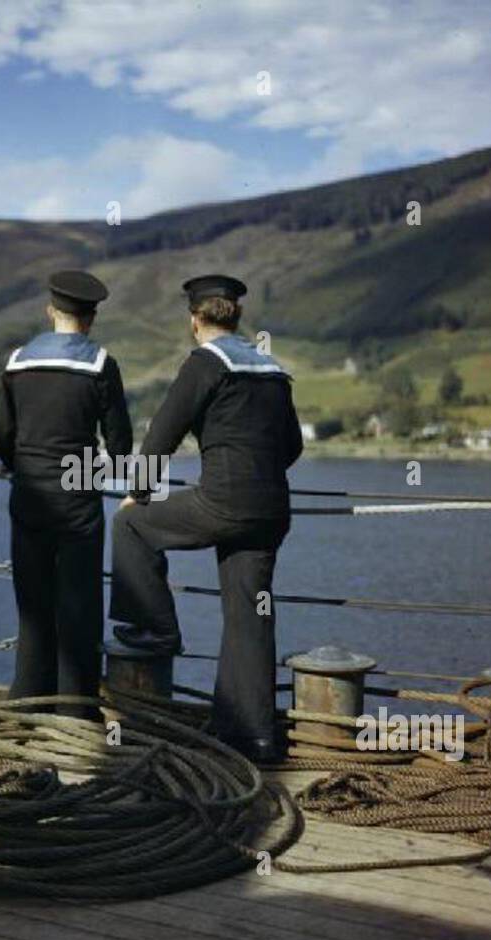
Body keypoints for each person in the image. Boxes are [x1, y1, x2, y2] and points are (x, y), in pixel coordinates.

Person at [110, 274, 302, 761]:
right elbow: (293, 446)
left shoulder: (204, 364)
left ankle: (157, 629)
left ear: (195, 320)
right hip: (272, 510)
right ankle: (253, 737)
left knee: (130, 527)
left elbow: (161, 436)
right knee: (249, 617)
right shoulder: (272, 367)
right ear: (236, 317)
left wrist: (137, 494)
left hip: (223, 504)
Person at [0, 270, 132, 716]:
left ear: (51, 311)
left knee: (32, 603)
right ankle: (76, 707)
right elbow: (120, 443)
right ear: (90, 319)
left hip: (29, 492)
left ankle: (29, 700)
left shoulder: (17, 362)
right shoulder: (100, 365)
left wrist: (19, 465)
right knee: (80, 602)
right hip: (78, 490)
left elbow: (2, 433)